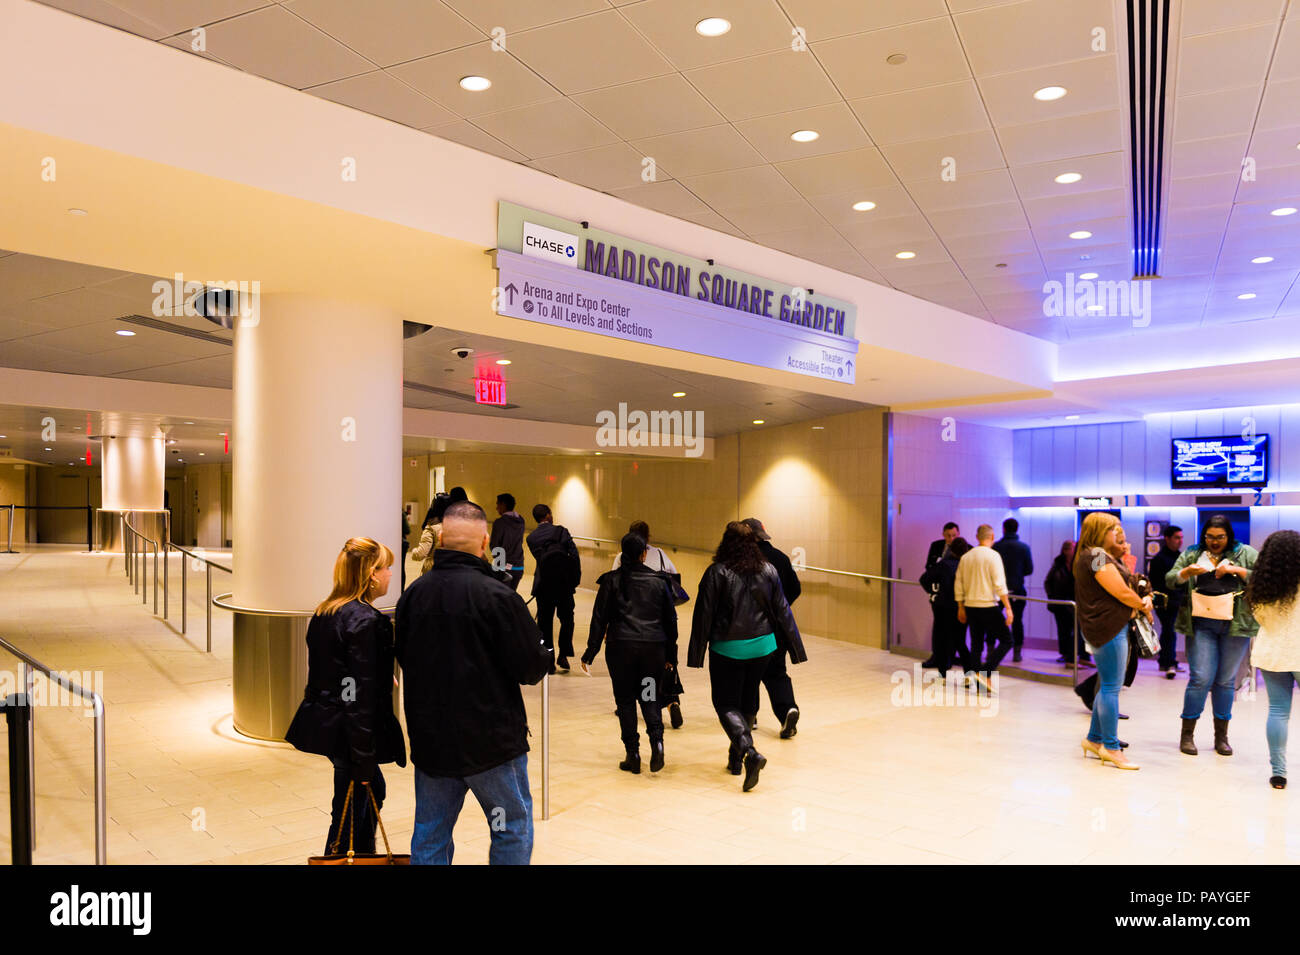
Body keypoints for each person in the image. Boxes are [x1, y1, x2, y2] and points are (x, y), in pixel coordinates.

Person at [395, 501, 551, 865]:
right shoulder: (498, 597)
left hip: (432, 741)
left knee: (431, 832)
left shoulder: (413, 596)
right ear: (485, 543)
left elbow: (404, 657)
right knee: (509, 825)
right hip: (491, 743)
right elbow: (530, 669)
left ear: (442, 539)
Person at [285, 538, 406, 856]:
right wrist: (363, 755)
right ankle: (345, 858)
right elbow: (357, 697)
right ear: (370, 574)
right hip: (352, 732)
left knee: (358, 802)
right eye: (386, 567)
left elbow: (334, 669)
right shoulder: (367, 622)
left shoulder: (326, 611)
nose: (391, 574)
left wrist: (378, 671)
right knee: (351, 809)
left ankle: (359, 855)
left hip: (328, 723)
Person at [688, 522, 805, 792]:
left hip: (728, 647)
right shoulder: (769, 570)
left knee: (725, 703)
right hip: (763, 647)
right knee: (748, 699)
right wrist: (796, 649)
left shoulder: (717, 572)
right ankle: (735, 760)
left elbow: (703, 614)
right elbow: (783, 611)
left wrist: (697, 653)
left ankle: (750, 753)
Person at [582, 531, 679, 774]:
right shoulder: (659, 582)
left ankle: (632, 755)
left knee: (625, 701)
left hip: (621, 651)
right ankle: (657, 744)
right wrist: (670, 656)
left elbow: (599, 619)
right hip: (651, 651)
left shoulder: (612, 580)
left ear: (622, 552)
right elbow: (670, 623)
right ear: (644, 554)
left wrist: (590, 652)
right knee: (649, 697)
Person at [1167, 515, 1259, 758]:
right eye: (1210, 537)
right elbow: (1169, 579)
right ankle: (1187, 735)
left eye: (1220, 537)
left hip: (1235, 625)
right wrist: (1186, 572)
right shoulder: (1192, 552)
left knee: (1225, 681)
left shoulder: (1245, 552)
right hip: (1200, 624)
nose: (1214, 542)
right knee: (1200, 678)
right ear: (1203, 535)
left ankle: (1222, 737)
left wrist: (1236, 570)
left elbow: (1261, 578)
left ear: (1229, 536)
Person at [1075, 512, 1151, 770]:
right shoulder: (1096, 556)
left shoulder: (1096, 555)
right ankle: (1111, 746)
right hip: (1107, 627)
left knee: (1108, 685)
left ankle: (1094, 739)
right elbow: (1119, 590)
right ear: (1099, 530)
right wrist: (1143, 605)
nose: (1119, 533)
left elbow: (1125, 582)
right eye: (1113, 529)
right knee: (1110, 687)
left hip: (1105, 626)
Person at [612, 520, 684, 727]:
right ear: (648, 537)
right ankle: (670, 702)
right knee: (663, 668)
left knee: (636, 672)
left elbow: (613, 589)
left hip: (632, 625)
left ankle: (633, 705)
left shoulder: (621, 558)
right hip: (659, 625)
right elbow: (675, 580)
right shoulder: (661, 554)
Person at [1246, 530, 1300, 789]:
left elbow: (1260, 619)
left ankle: (1279, 773)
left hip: (1272, 653)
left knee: (1278, 712)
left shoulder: (1261, 584)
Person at [741, 517, 801, 739]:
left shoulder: (746, 560)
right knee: (776, 672)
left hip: (752, 626)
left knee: (749, 671)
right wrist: (781, 607)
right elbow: (795, 588)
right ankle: (788, 710)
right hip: (779, 627)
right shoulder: (782, 558)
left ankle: (750, 716)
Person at [954, 524, 1014, 688]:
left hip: (970, 606)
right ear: (992, 537)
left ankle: (978, 680)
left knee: (976, 644)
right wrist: (1008, 607)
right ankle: (985, 673)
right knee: (1007, 640)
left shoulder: (966, 557)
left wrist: (960, 606)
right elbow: (999, 584)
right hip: (988, 605)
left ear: (977, 537)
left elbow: (958, 583)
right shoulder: (993, 556)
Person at [527, 503, 581, 672]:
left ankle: (549, 659)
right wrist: (574, 580)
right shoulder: (561, 531)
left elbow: (541, 561)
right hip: (563, 585)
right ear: (549, 515)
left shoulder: (531, 538)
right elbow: (575, 556)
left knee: (544, 624)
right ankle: (563, 654)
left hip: (544, 585)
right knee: (567, 619)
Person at [920, 536, 977, 681]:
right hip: (961, 608)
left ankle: (942, 673)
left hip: (942, 607)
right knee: (960, 641)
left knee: (942, 639)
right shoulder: (967, 566)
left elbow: (924, 579)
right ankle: (969, 674)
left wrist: (934, 593)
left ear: (951, 550)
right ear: (966, 551)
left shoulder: (943, 564)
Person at [993, 518, 1033, 662]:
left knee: (994, 620)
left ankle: (991, 649)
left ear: (1003, 529)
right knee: (1017, 621)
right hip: (1017, 589)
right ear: (1017, 529)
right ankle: (1017, 652)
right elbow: (1029, 569)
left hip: (997, 590)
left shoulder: (996, 547)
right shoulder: (1024, 547)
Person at [1148, 525, 1185, 679]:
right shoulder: (1159, 560)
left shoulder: (1180, 557)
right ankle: (1168, 662)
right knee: (1169, 630)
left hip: (1178, 600)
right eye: (1177, 537)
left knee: (1170, 631)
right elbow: (1157, 583)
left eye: (1181, 538)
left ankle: (1167, 660)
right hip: (1164, 602)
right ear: (1167, 538)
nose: (1180, 541)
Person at [1045, 540, 1090, 665]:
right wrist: (1052, 597)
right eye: (1072, 548)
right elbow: (1048, 581)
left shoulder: (1079, 562)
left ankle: (1081, 656)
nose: (1074, 550)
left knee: (1078, 630)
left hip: (1075, 602)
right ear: (1065, 550)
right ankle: (1067, 655)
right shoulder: (1058, 563)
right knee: (1064, 630)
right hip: (1060, 603)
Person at [410, 486, 466, 574]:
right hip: (452, 569)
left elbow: (420, 554)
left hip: (434, 570)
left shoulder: (431, 528)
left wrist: (413, 552)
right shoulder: (456, 527)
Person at [489, 493, 526, 592]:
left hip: (504, 567)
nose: (497, 508)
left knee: (501, 599)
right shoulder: (521, 521)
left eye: (498, 504)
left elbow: (495, 547)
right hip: (519, 565)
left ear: (503, 505)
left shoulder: (499, 523)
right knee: (511, 596)